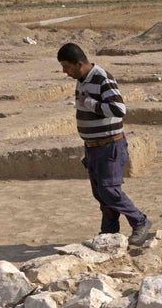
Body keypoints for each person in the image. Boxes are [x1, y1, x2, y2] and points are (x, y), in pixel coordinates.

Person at [57, 43, 153, 246]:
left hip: (109, 145)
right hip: (93, 147)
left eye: (66, 67)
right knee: (101, 192)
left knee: (110, 190)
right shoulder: (82, 80)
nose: (64, 72)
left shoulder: (102, 78)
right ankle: (109, 232)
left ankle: (140, 221)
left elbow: (118, 109)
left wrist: (90, 104)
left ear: (79, 64)